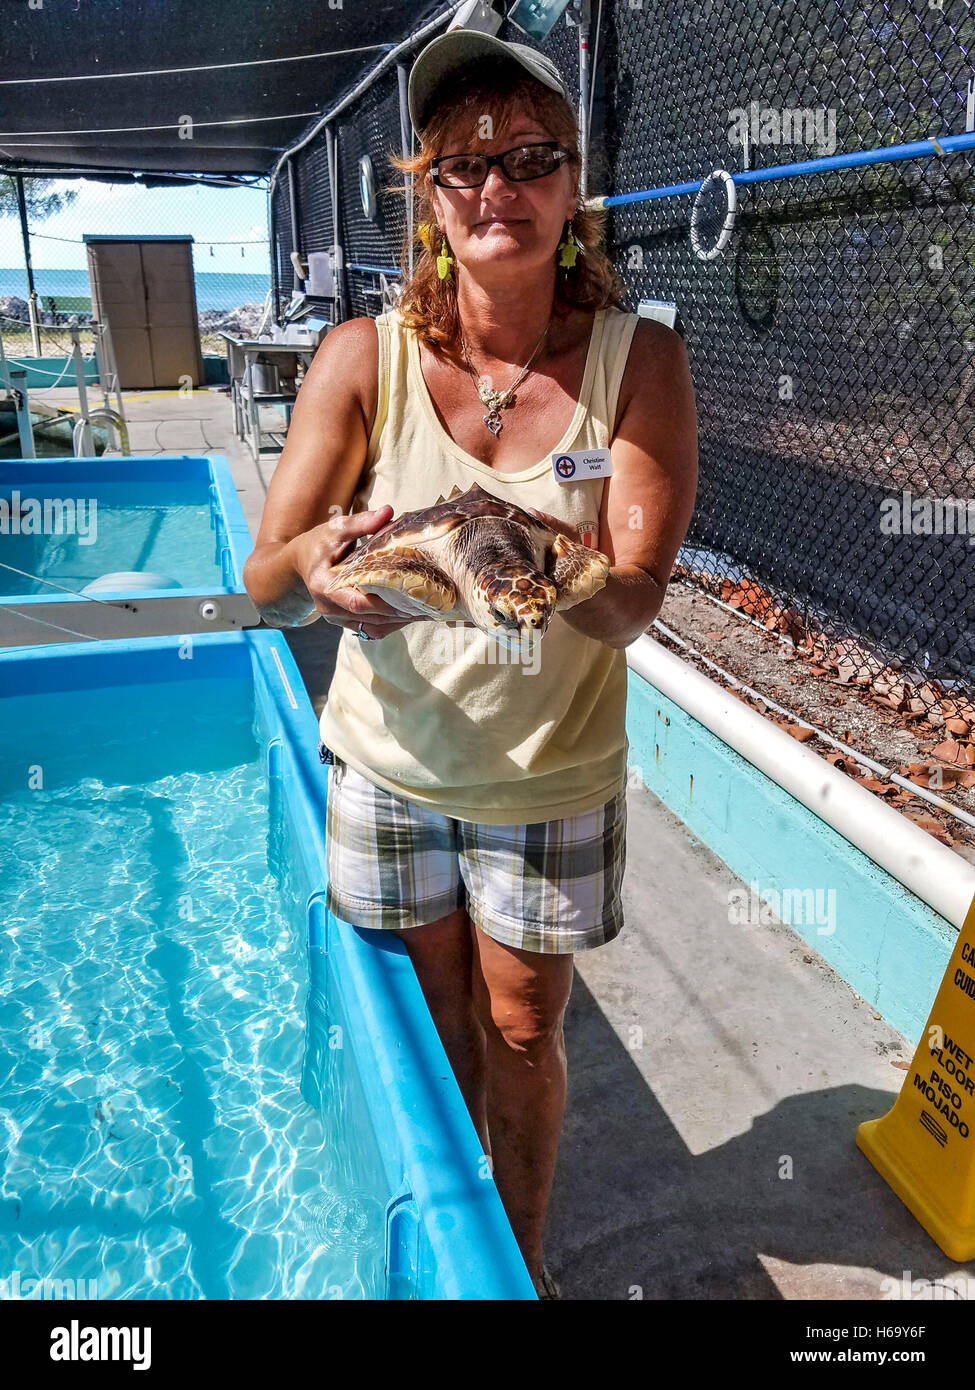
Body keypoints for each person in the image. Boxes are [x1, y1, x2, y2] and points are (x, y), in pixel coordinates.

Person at [243, 29, 698, 1300]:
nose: (498, 187)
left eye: (531, 158)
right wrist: (325, 572)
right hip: (391, 764)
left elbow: (634, 605)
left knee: (520, 1025)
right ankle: (450, 1260)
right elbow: (267, 581)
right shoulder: (357, 357)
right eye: (465, 165)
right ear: (429, 198)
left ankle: (522, 1263)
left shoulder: (640, 365)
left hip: (548, 775)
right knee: (435, 1036)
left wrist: (571, 577)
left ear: (573, 188)